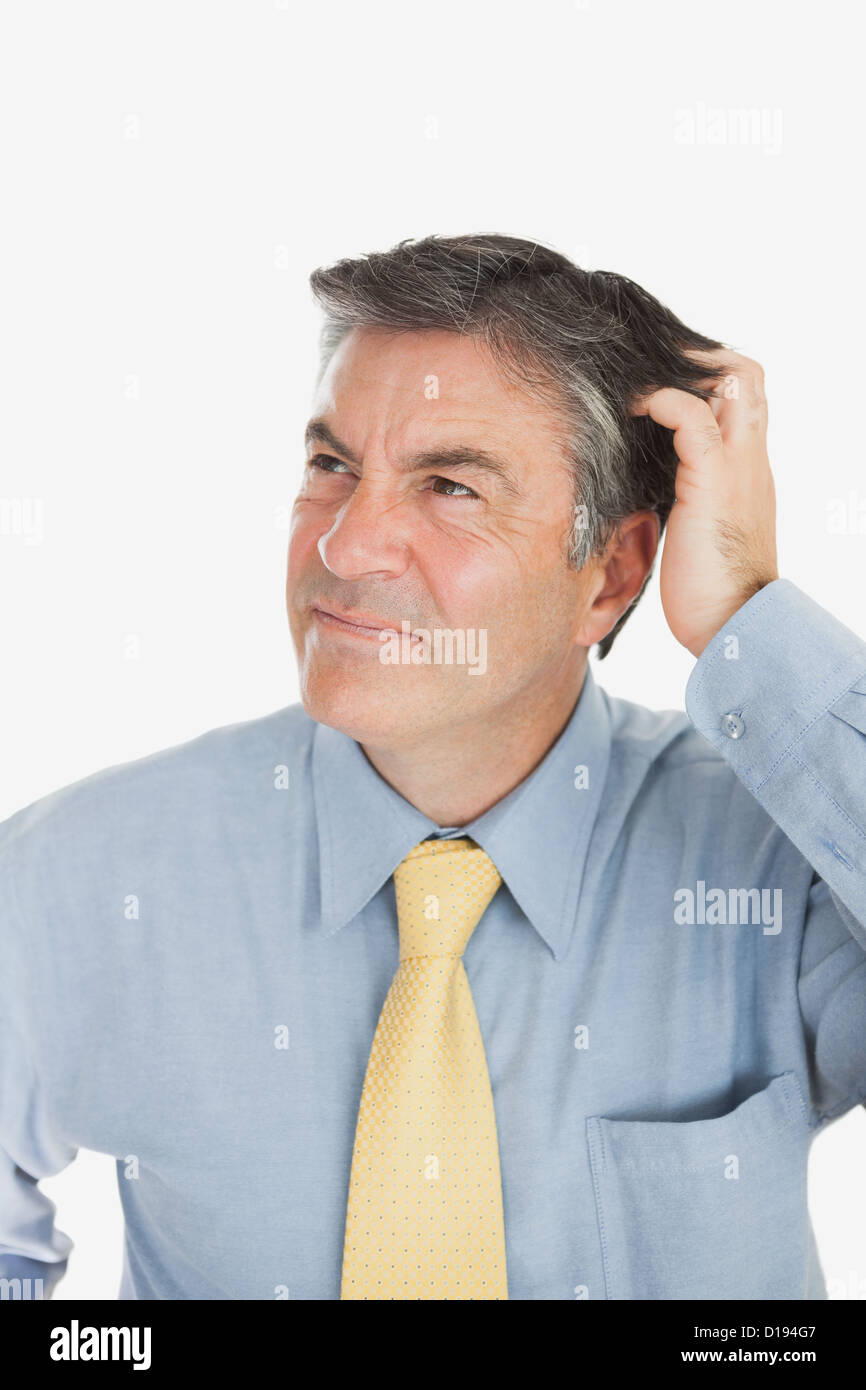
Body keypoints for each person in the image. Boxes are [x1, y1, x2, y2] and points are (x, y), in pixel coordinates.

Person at [2, 234, 864, 1301]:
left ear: (611, 574)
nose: (346, 545)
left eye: (449, 486)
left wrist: (746, 615)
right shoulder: (80, 876)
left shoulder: (780, 862)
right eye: (331, 466)